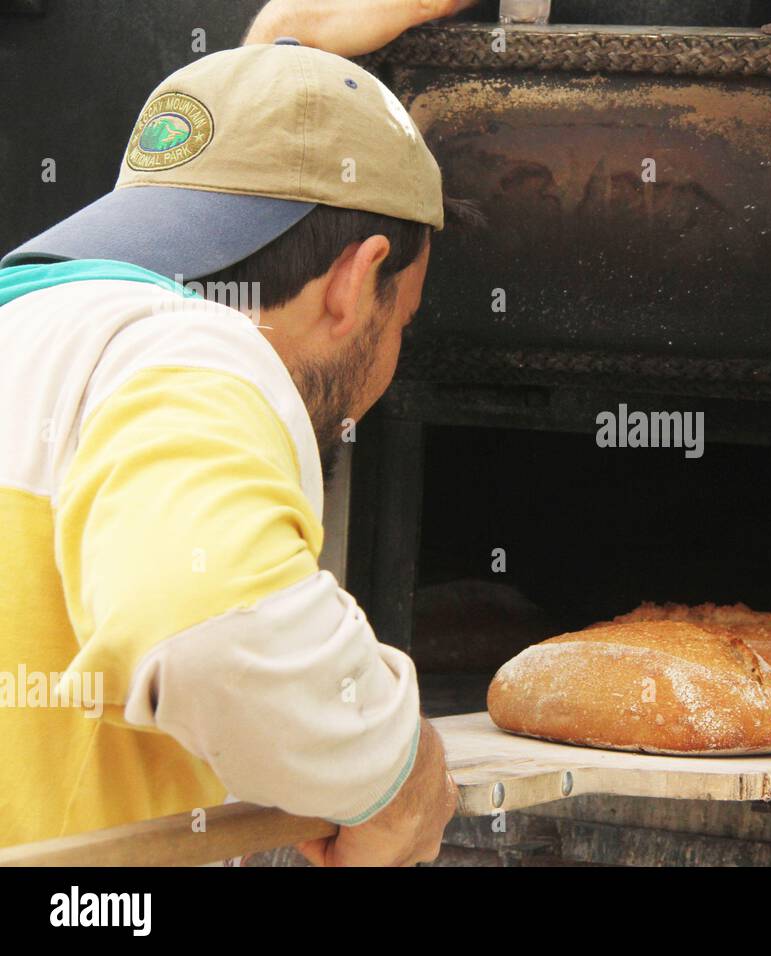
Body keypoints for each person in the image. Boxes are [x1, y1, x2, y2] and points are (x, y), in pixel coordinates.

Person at [0, 0, 476, 866]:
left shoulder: (39, 335)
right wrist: (395, 775)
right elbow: (204, 623)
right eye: (403, 315)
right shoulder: (190, 354)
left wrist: (284, 44)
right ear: (356, 280)